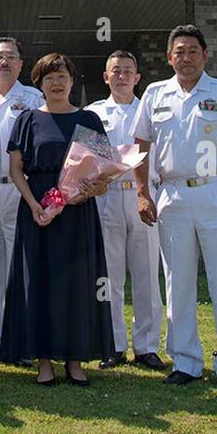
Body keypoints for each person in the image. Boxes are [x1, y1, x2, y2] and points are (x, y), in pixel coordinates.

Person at [133, 25, 217, 390]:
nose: (185, 58)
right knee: (178, 282)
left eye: (192, 51)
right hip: (172, 195)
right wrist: (142, 192)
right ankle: (185, 360)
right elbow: (140, 144)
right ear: (169, 57)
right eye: (179, 52)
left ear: (205, 55)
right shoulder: (155, 94)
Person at [0, 53, 115, 384]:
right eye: (49, 77)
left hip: (78, 215)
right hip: (38, 214)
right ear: (39, 83)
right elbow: (16, 169)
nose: (56, 82)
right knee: (40, 283)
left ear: (72, 81)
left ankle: (75, 360)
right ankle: (44, 360)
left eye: (62, 76)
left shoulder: (89, 119)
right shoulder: (28, 119)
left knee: (76, 284)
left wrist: (87, 192)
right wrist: (35, 204)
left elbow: (105, 174)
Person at [86, 50, 165, 371]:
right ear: (105, 77)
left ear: (137, 78)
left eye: (127, 71)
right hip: (107, 198)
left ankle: (147, 346)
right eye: (115, 71)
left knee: (147, 273)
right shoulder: (93, 113)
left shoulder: (151, 110)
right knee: (109, 277)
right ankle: (113, 344)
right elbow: (87, 160)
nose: (121, 76)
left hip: (143, 197)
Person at [0, 37, 43, 366]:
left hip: (21, 190)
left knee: (23, 268)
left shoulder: (33, 99)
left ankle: (24, 340)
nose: (4, 62)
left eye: (11, 57)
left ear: (20, 64)